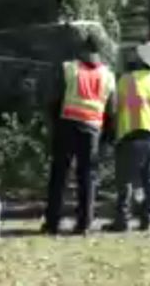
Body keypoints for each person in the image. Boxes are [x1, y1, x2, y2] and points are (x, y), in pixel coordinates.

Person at [42, 35, 117, 236]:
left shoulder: (69, 68)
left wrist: (53, 123)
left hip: (67, 123)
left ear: (83, 50)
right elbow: (111, 109)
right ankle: (85, 223)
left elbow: (54, 98)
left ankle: (52, 222)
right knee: (87, 177)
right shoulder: (108, 76)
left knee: (59, 175)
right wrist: (107, 135)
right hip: (92, 128)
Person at [107, 40, 150, 233]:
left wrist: (114, 130)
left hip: (131, 136)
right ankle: (148, 219)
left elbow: (114, 108)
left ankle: (122, 219)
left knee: (125, 182)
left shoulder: (126, 81)